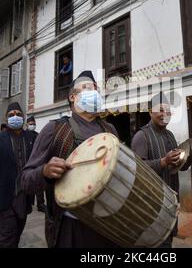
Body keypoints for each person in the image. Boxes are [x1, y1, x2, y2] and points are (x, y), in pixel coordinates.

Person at [22, 70, 119, 248]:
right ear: (73, 97)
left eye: (95, 88)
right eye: (86, 88)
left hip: (108, 224)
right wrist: (44, 171)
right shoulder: (55, 129)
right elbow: (26, 180)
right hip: (71, 227)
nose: (93, 91)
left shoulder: (110, 130)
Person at [131, 92, 185, 248]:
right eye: (160, 110)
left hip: (171, 202)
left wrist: (185, 160)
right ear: (150, 112)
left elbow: (175, 165)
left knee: (168, 240)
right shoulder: (142, 136)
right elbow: (137, 170)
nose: (164, 114)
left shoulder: (170, 135)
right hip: (152, 204)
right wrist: (163, 162)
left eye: (168, 111)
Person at [0, 102, 36, 248]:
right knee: (7, 240)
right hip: (5, 198)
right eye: (11, 115)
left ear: (23, 117)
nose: (15, 117)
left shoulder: (31, 138)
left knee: (17, 234)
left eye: (18, 114)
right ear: (6, 119)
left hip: (24, 197)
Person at [26, 116, 46, 213]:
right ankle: (28, 203)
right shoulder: (24, 135)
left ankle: (40, 204)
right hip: (27, 163)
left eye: (33, 124)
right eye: (30, 124)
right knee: (28, 183)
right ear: (27, 124)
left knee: (39, 183)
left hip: (37, 162)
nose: (32, 125)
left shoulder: (38, 135)